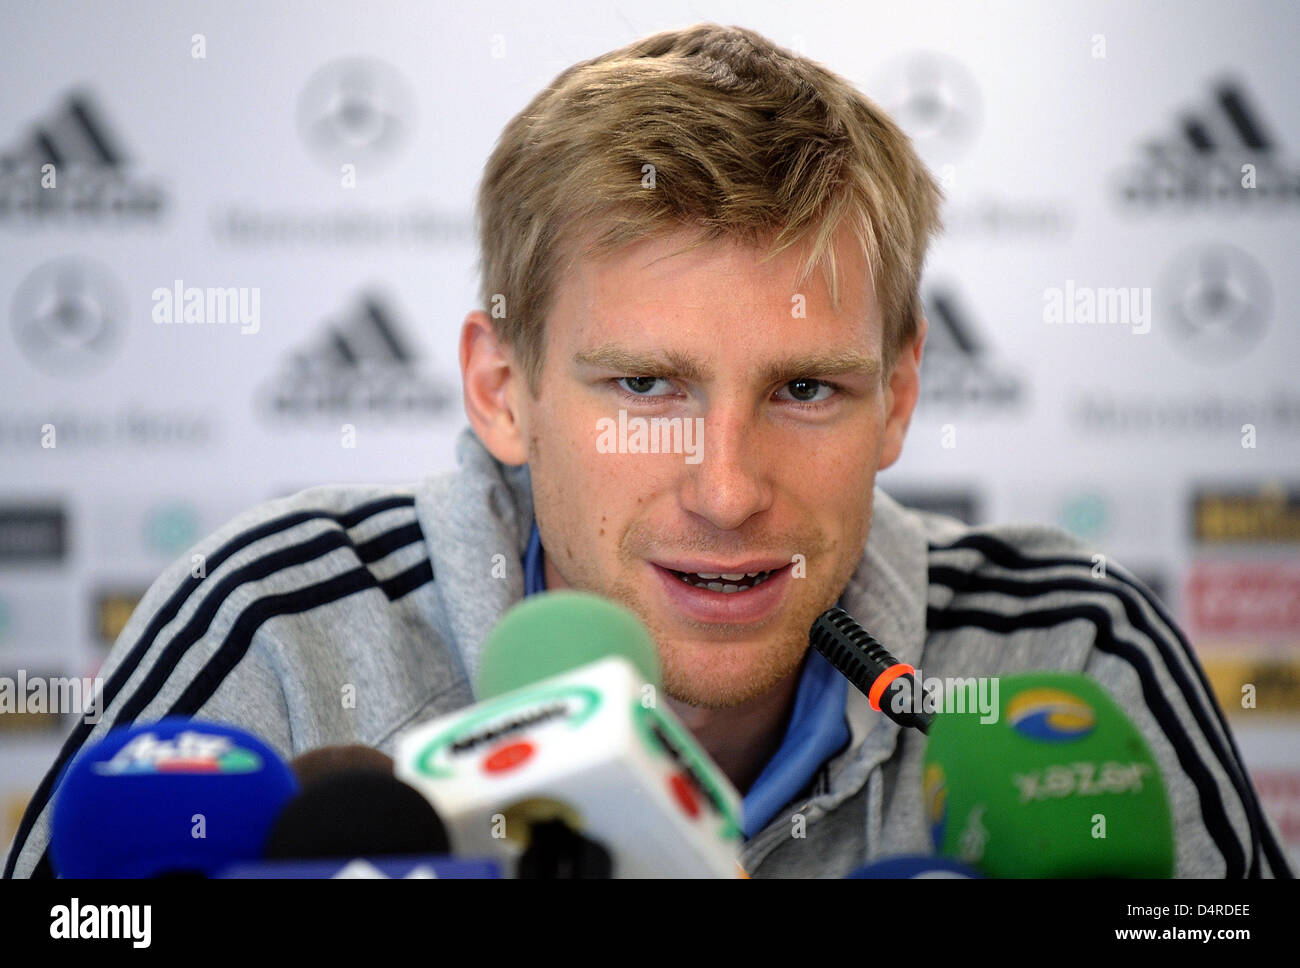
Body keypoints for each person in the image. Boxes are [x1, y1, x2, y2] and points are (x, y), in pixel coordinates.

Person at [5, 23, 1288, 878]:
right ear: (502, 390)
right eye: (644, 385)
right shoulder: (276, 635)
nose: (727, 488)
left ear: (899, 396)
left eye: (804, 387)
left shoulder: (1068, 653)